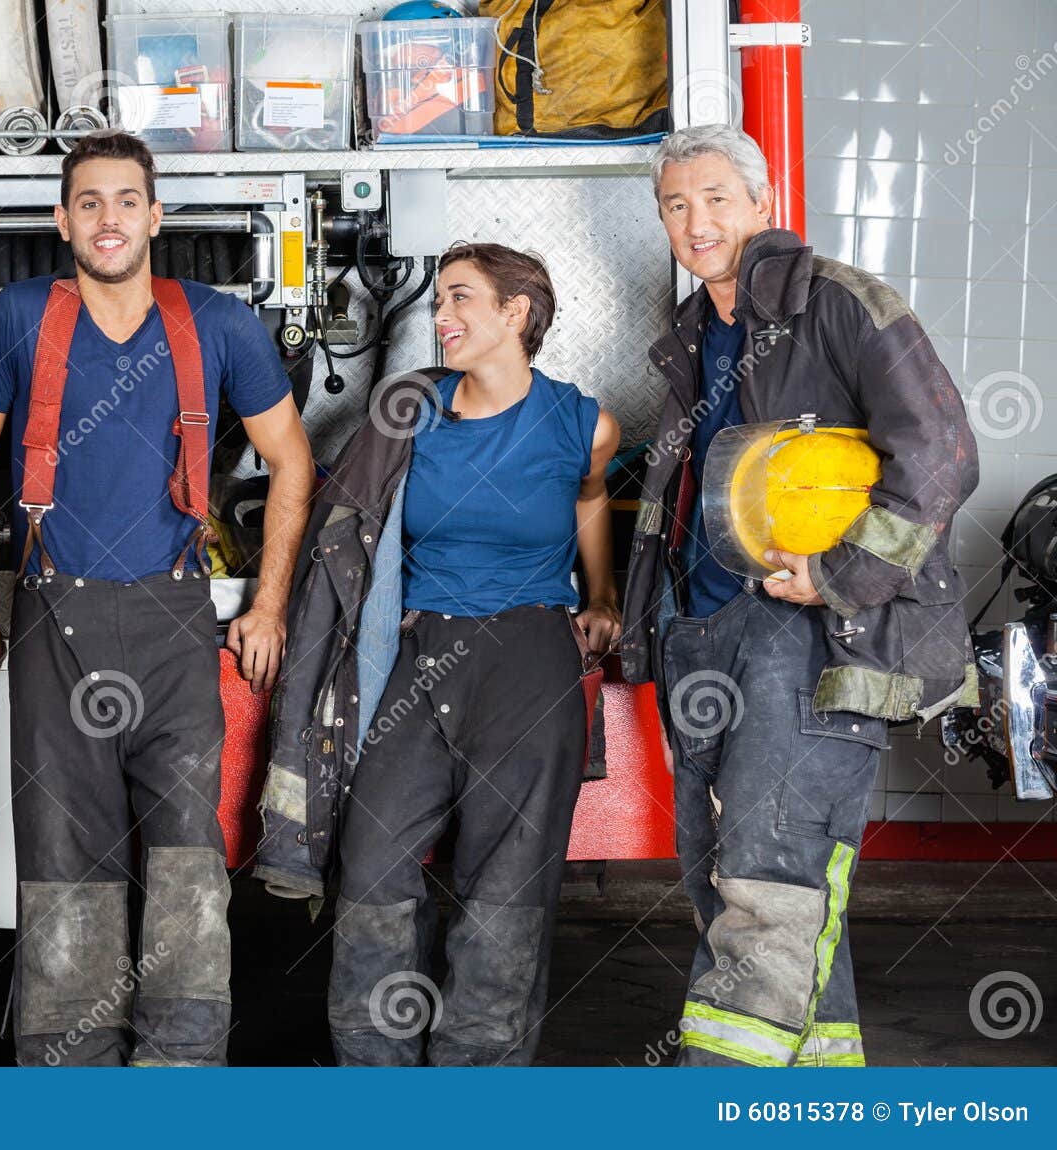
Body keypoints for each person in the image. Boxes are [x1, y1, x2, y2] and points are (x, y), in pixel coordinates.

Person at [0, 129, 314, 1066]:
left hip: (172, 615)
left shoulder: (217, 323)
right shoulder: (18, 316)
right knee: (65, 858)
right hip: (53, 611)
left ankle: (181, 1064)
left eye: (127, 200)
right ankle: (72, 1073)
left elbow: (294, 459)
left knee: (188, 857)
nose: (109, 219)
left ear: (156, 214)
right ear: (63, 219)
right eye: (90, 202)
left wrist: (267, 606)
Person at [621, 124, 979, 1067]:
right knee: (726, 875)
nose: (696, 222)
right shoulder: (692, 335)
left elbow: (941, 455)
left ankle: (719, 1097)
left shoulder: (840, 304)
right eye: (675, 204)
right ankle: (821, 1096)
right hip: (704, 629)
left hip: (813, 635)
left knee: (771, 877)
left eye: (715, 199)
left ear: (763, 204)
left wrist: (840, 574)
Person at [253, 242, 620, 1065]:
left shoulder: (583, 423)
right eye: (440, 304)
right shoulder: (409, 410)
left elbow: (591, 495)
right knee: (373, 868)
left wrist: (601, 595)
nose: (442, 320)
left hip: (530, 660)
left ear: (515, 314)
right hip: (420, 655)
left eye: (460, 301)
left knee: (506, 894)